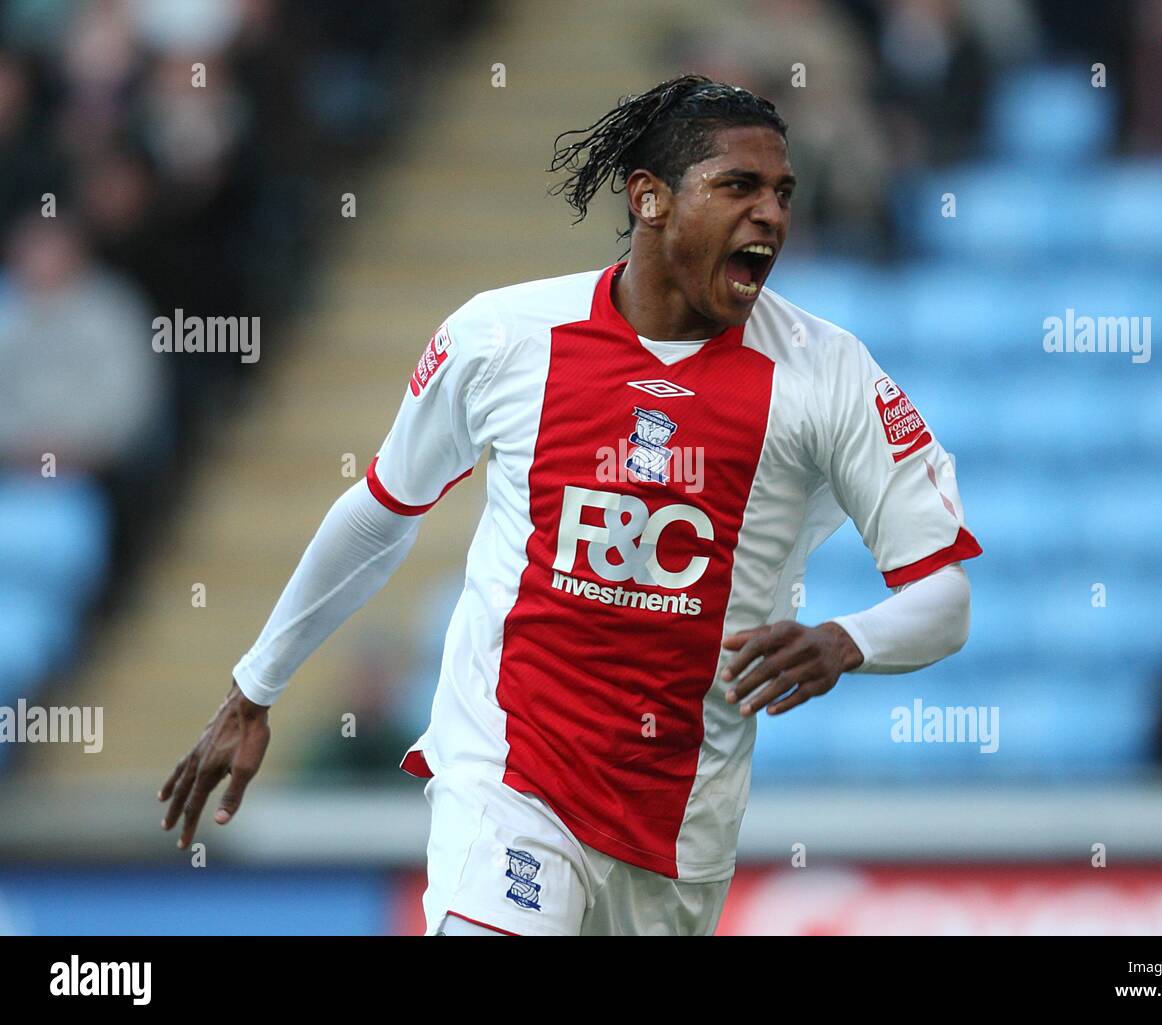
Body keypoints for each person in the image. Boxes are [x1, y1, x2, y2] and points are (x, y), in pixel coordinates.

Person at [158, 75, 982, 936]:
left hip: (678, 830)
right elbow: (382, 511)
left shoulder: (830, 375)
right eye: (738, 187)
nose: (770, 214)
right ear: (650, 198)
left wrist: (846, 640)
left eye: (783, 194)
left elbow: (946, 599)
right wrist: (256, 685)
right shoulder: (503, 337)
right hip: (510, 778)